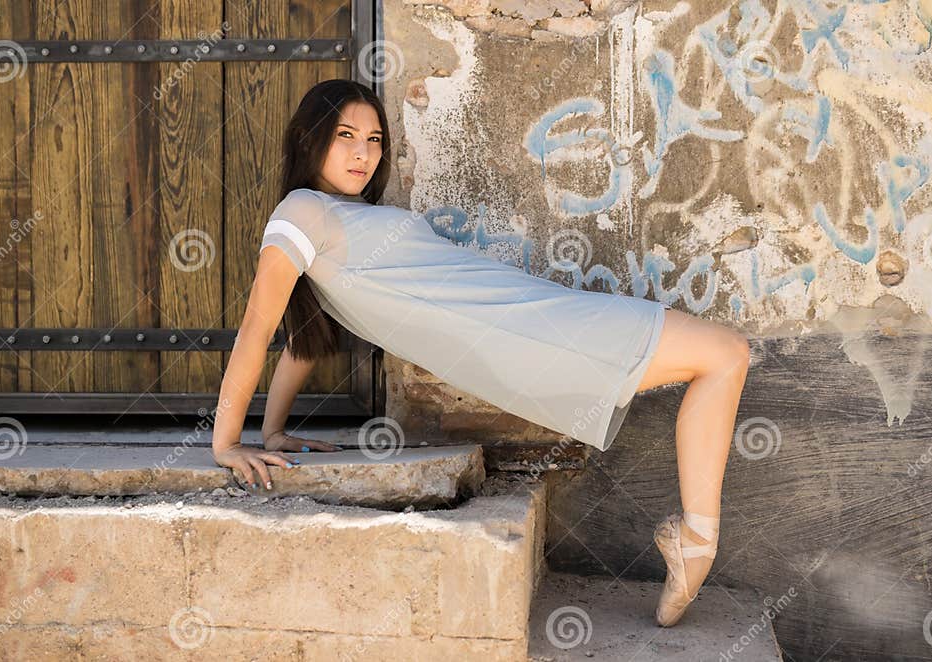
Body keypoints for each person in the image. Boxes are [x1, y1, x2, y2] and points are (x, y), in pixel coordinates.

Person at [211, 78, 750, 628]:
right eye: (345, 135)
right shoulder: (301, 210)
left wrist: (274, 430)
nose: (363, 153)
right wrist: (227, 442)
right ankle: (697, 542)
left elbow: (303, 337)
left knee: (722, 356)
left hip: (535, 320)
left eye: (374, 139)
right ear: (307, 138)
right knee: (727, 353)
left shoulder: (333, 218)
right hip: (533, 332)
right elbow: (259, 326)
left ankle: (696, 541)